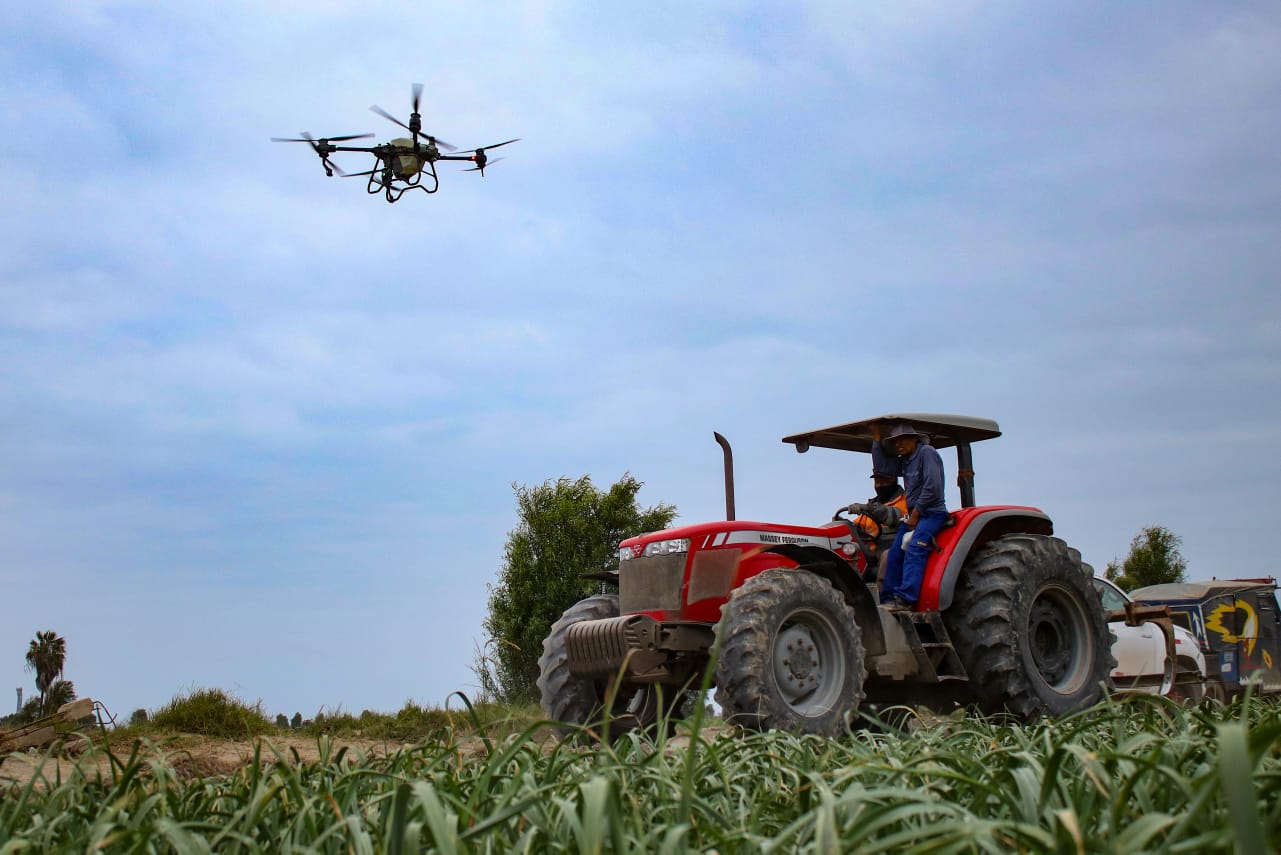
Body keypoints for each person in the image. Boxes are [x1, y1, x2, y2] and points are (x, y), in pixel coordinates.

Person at [874, 421, 949, 611]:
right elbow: (883, 467)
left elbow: (932, 488)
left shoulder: (927, 453)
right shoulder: (905, 461)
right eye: (895, 441)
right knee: (894, 553)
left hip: (931, 513)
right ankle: (887, 599)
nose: (898, 445)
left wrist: (915, 513)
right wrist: (876, 438)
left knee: (916, 547)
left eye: (902, 440)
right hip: (914, 515)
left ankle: (906, 598)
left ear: (914, 439)